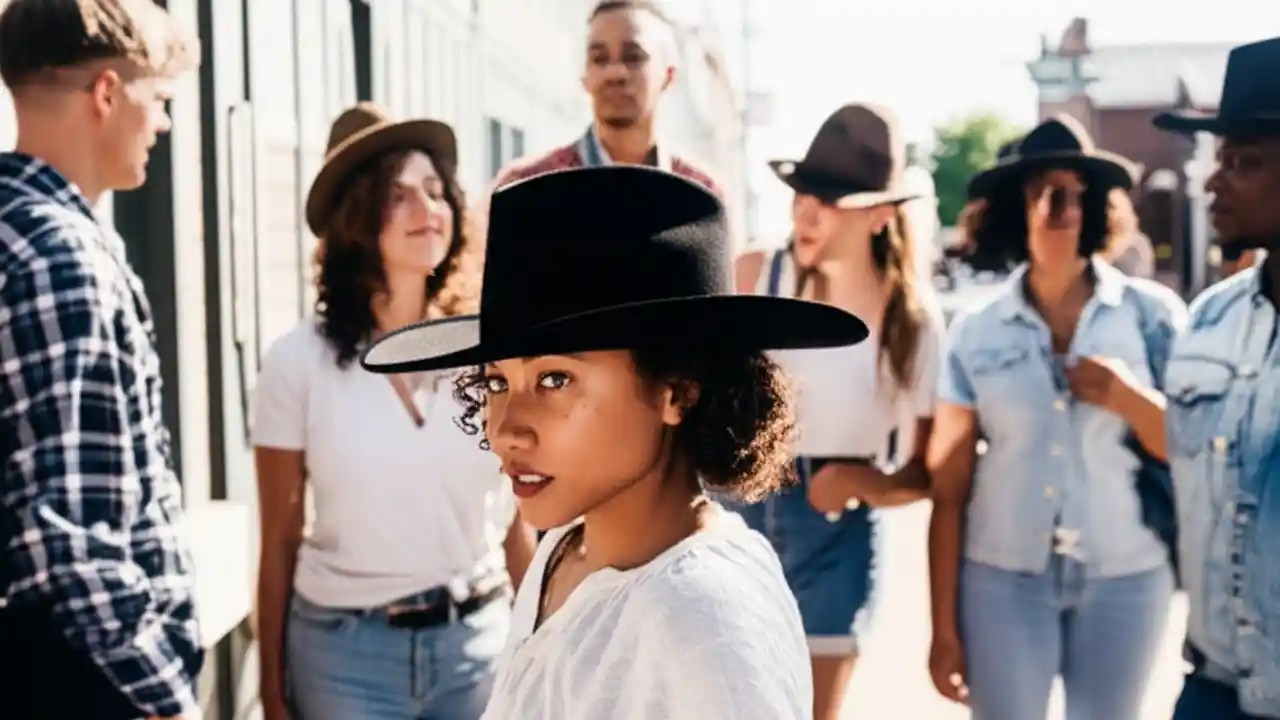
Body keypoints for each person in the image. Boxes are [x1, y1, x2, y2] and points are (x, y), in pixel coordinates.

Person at [362, 166, 869, 719]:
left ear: (676, 391)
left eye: (554, 380)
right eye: (495, 382)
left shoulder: (706, 620)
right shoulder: (563, 548)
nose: (507, 428)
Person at [252, 103, 534, 720]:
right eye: (398, 194)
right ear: (357, 216)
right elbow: (277, 539)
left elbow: (516, 518)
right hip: (343, 658)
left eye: (435, 192)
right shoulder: (298, 360)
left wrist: (547, 644)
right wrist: (272, 692)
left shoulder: (486, 354)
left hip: (479, 648)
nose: (427, 210)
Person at [928, 114, 1186, 720]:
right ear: (1013, 208)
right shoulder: (974, 332)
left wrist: (1127, 398)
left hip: (1125, 577)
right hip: (1002, 580)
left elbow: (1196, 450)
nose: (1056, 205)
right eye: (1039, 190)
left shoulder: (1152, 318)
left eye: (1073, 191)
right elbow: (947, 491)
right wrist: (943, 629)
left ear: (1096, 206)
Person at [0, 2, 203, 719]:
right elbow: (73, 533)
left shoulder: (15, 230)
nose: (165, 124)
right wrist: (165, 696)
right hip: (84, 681)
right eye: (161, 99)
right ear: (108, 93)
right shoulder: (62, 258)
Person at [734, 102, 941, 720]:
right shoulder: (756, 275)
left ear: (880, 215)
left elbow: (927, 476)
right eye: (801, 194)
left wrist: (860, 482)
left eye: (829, 199)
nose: (804, 209)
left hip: (836, 531)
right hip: (735, 510)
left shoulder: (914, 324)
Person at [1152, 36, 1280, 720]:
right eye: (1217, 158)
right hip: (1209, 691)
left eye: (1243, 163)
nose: (1213, 180)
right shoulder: (1205, 324)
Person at [486, 1, 721, 196]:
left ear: (669, 75)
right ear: (584, 77)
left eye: (633, 57)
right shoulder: (526, 186)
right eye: (599, 58)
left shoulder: (702, 193)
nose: (615, 73)